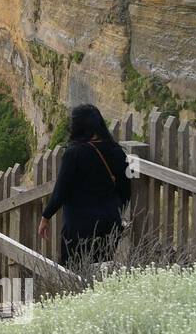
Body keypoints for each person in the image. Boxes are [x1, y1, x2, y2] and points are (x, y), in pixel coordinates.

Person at [38, 104, 131, 265]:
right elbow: (126, 189)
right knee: (102, 268)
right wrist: (114, 209)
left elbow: (61, 190)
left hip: (79, 225)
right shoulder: (117, 151)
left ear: (77, 127)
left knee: (74, 269)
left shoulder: (74, 153)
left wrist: (46, 217)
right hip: (109, 222)